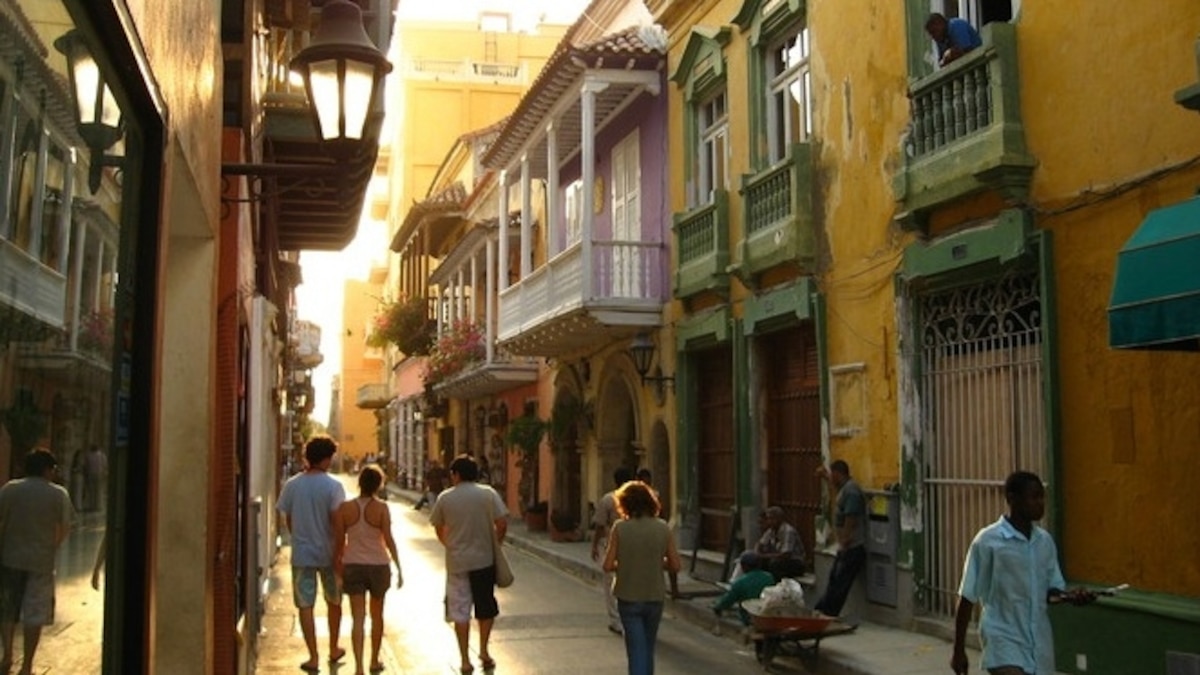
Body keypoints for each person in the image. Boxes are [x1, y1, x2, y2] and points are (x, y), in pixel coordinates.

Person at [950, 471, 1097, 675]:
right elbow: (966, 596)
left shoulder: (1044, 543)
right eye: (1034, 497)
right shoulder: (988, 541)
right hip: (1002, 638)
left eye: (1042, 497)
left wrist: (1071, 596)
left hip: (1038, 642)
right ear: (1012, 499)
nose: (1040, 503)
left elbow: (1051, 592)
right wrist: (958, 650)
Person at [429, 455, 508, 675]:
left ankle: (464, 660)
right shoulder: (488, 494)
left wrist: (450, 544)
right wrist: (495, 543)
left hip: (457, 563)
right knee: (485, 608)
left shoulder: (445, 498)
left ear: (456, 474)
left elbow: (438, 527)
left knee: (460, 611)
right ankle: (484, 651)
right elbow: (501, 523)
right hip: (484, 560)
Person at [277, 435, 347, 673]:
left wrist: (300, 536)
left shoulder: (292, 485)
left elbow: (288, 518)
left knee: (305, 604)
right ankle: (334, 647)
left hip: (302, 554)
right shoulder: (334, 487)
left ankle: (313, 656)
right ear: (327, 458)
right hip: (329, 554)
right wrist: (339, 552)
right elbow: (338, 523)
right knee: (334, 600)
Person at [0, 448, 73, 675]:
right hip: (41, 562)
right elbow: (65, 526)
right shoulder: (58, 494)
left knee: (7, 610)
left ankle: (8, 655)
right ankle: (27, 665)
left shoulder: (10, 489)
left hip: (10, 558)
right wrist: (52, 545)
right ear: (47, 469)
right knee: (35, 613)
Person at [602, 479, 681, 675]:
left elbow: (607, 565)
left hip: (628, 596)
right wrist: (655, 561)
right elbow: (675, 565)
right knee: (648, 648)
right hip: (654, 596)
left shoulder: (620, 528)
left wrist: (627, 562)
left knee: (636, 650)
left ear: (625, 504)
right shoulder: (663, 527)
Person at [333, 465, 403, 675]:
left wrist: (337, 567)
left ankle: (359, 667)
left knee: (358, 618)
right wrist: (399, 566)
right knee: (377, 616)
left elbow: (338, 542)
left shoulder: (345, 508)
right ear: (379, 484)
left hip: (353, 565)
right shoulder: (381, 508)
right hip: (379, 565)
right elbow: (388, 539)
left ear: (360, 482)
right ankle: (374, 660)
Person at [813, 460, 866, 619]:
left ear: (838, 473)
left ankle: (829, 613)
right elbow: (836, 488)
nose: (832, 479)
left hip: (852, 546)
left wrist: (844, 541)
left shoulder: (851, 492)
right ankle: (823, 610)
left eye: (832, 474)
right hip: (846, 546)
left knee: (840, 584)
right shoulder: (845, 489)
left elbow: (851, 519)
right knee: (835, 580)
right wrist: (826, 477)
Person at [592, 467, 635, 634]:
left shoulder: (608, 499)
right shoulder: (637, 499)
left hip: (611, 543)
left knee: (610, 581)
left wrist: (594, 545)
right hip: (632, 544)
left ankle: (616, 619)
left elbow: (600, 525)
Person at [634, 469, 680, 598]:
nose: (646, 483)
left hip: (655, 530)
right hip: (641, 531)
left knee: (670, 558)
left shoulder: (654, 494)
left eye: (647, 480)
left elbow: (661, 512)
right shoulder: (633, 496)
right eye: (643, 480)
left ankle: (675, 590)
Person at [711, 552, 775, 629]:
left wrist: (717, 607)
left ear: (744, 566)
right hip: (765, 614)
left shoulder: (740, 582)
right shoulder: (769, 577)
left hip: (748, 616)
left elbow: (727, 601)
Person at [752, 506, 806, 581]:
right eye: (768, 519)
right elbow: (760, 543)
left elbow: (786, 555)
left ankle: (777, 586)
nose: (769, 521)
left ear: (779, 518)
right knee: (758, 562)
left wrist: (764, 556)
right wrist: (757, 552)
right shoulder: (771, 531)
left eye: (772, 519)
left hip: (795, 562)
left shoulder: (788, 531)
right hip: (780, 561)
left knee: (775, 565)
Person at [82, 444, 107, 512]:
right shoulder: (102, 455)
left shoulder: (88, 455)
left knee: (91, 490)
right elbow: (105, 465)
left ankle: (92, 505)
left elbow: (86, 465)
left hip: (91, 474)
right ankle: (98, 505)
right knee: (98, 490)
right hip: (99, 474)